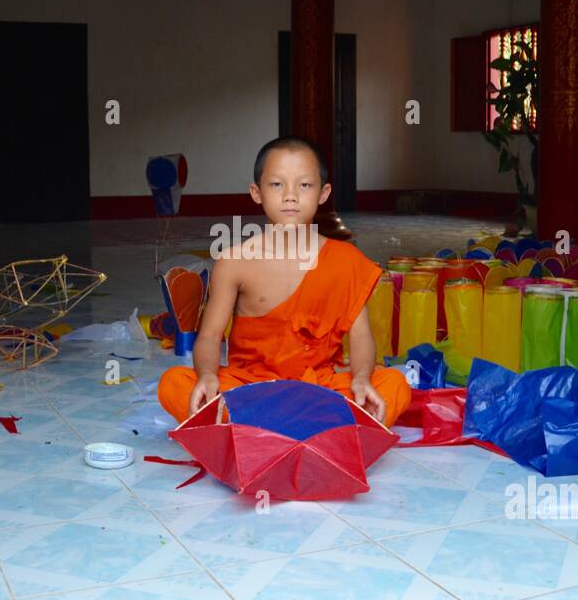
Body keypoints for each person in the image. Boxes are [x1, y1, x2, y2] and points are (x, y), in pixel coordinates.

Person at [157, 136, 411, 427]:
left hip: (319, 389)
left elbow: (362, 336)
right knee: (174, 382)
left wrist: (363, 379)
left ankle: (253, 429)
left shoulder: (345, 258)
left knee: (394, 383)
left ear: (323, 193)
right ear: (256, 192)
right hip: (248, 388)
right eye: (277, 184)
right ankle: (323, 430)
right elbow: (210, 337)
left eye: (304, 185)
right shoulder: (235, 261)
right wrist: (207, 376)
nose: (290, 195)